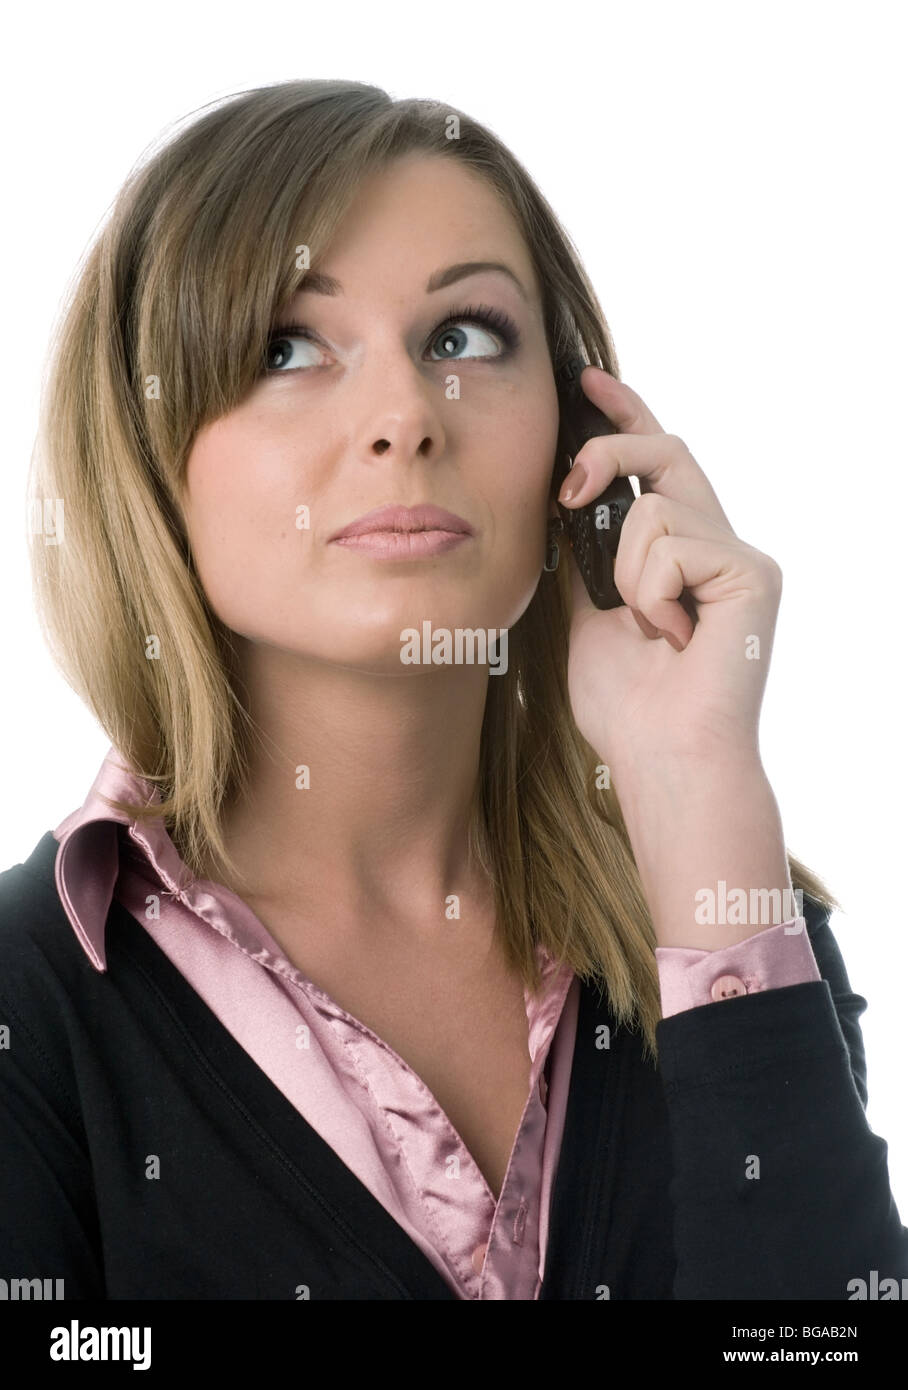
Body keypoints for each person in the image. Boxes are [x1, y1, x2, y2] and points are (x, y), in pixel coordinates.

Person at [2, 79, 905, 1301]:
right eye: (286, 346)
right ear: (147, 459)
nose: (404, 417)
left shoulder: (722, 936)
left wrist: (694, 784)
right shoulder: (32, 1004)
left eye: (462, 338)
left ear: (576, 445)